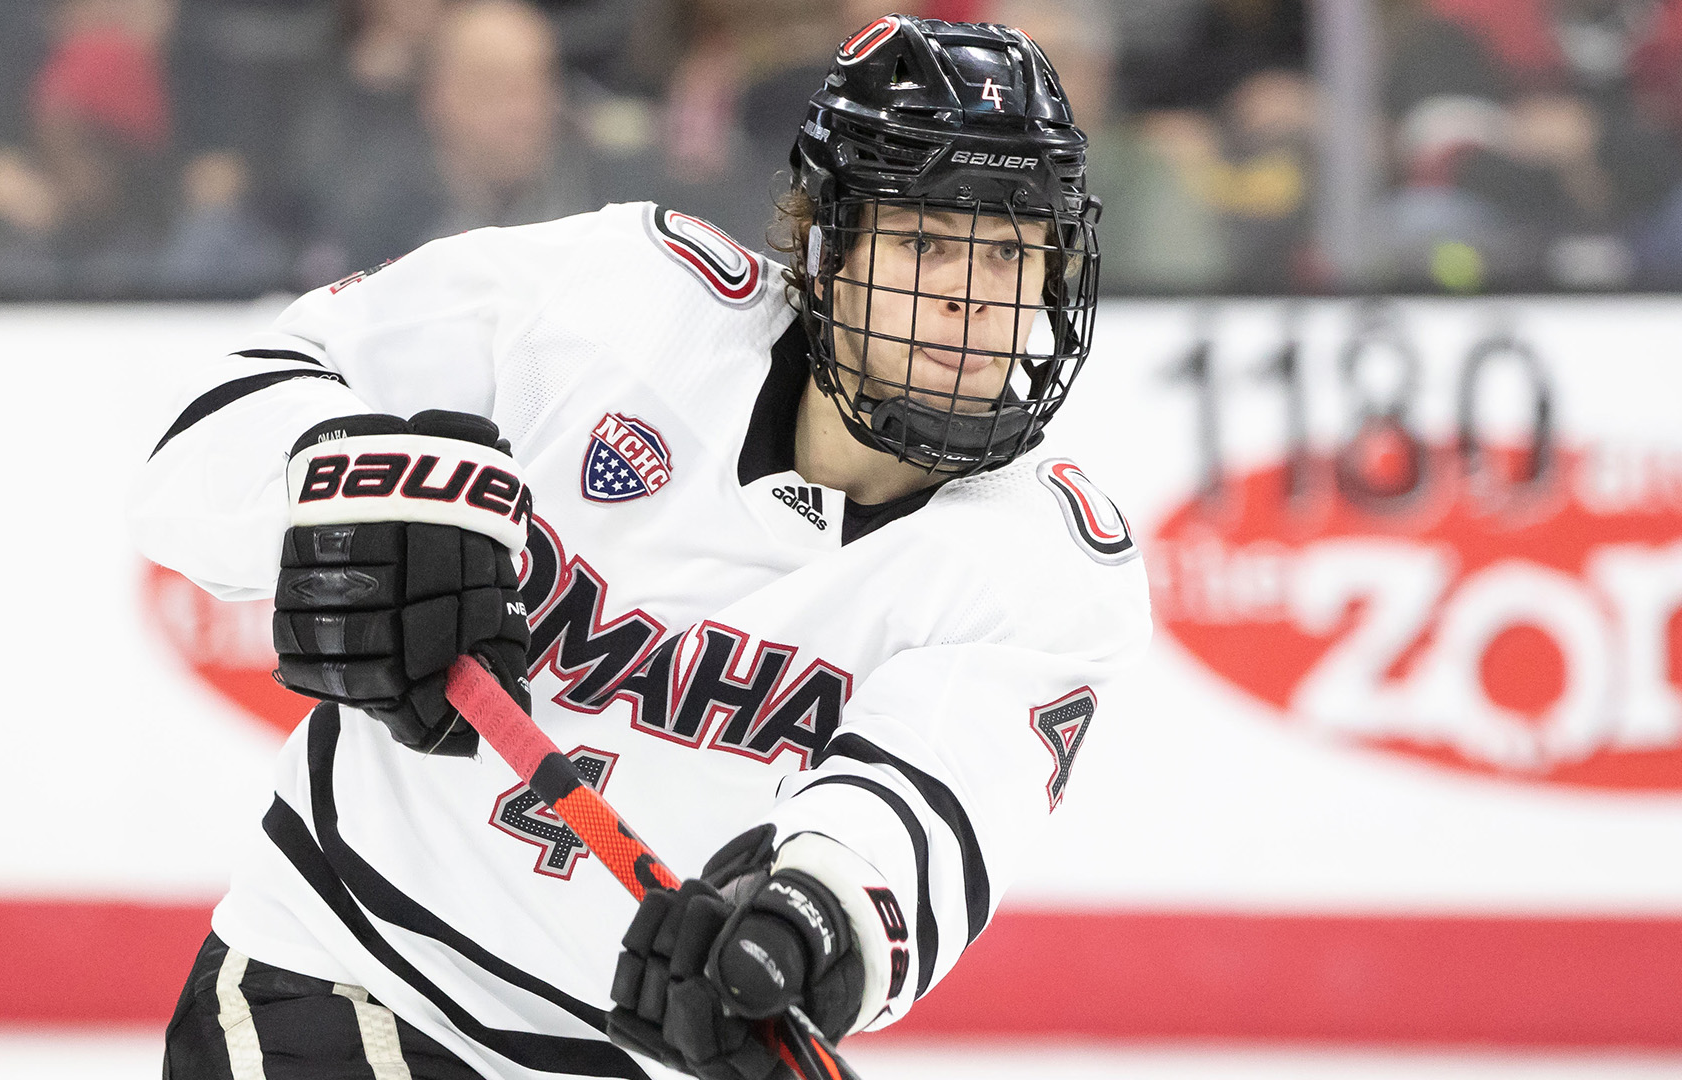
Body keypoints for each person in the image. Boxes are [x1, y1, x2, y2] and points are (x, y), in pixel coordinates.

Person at [133, 14, 1148, 1080]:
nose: (969, 300)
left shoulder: (1045, 563)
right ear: (822, 251)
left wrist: (810, 924)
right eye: (926, 242)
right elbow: (219, 419)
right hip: (353, 979)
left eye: (1012, 252)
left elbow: (922, 811)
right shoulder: (618, 304)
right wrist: (354, 495)